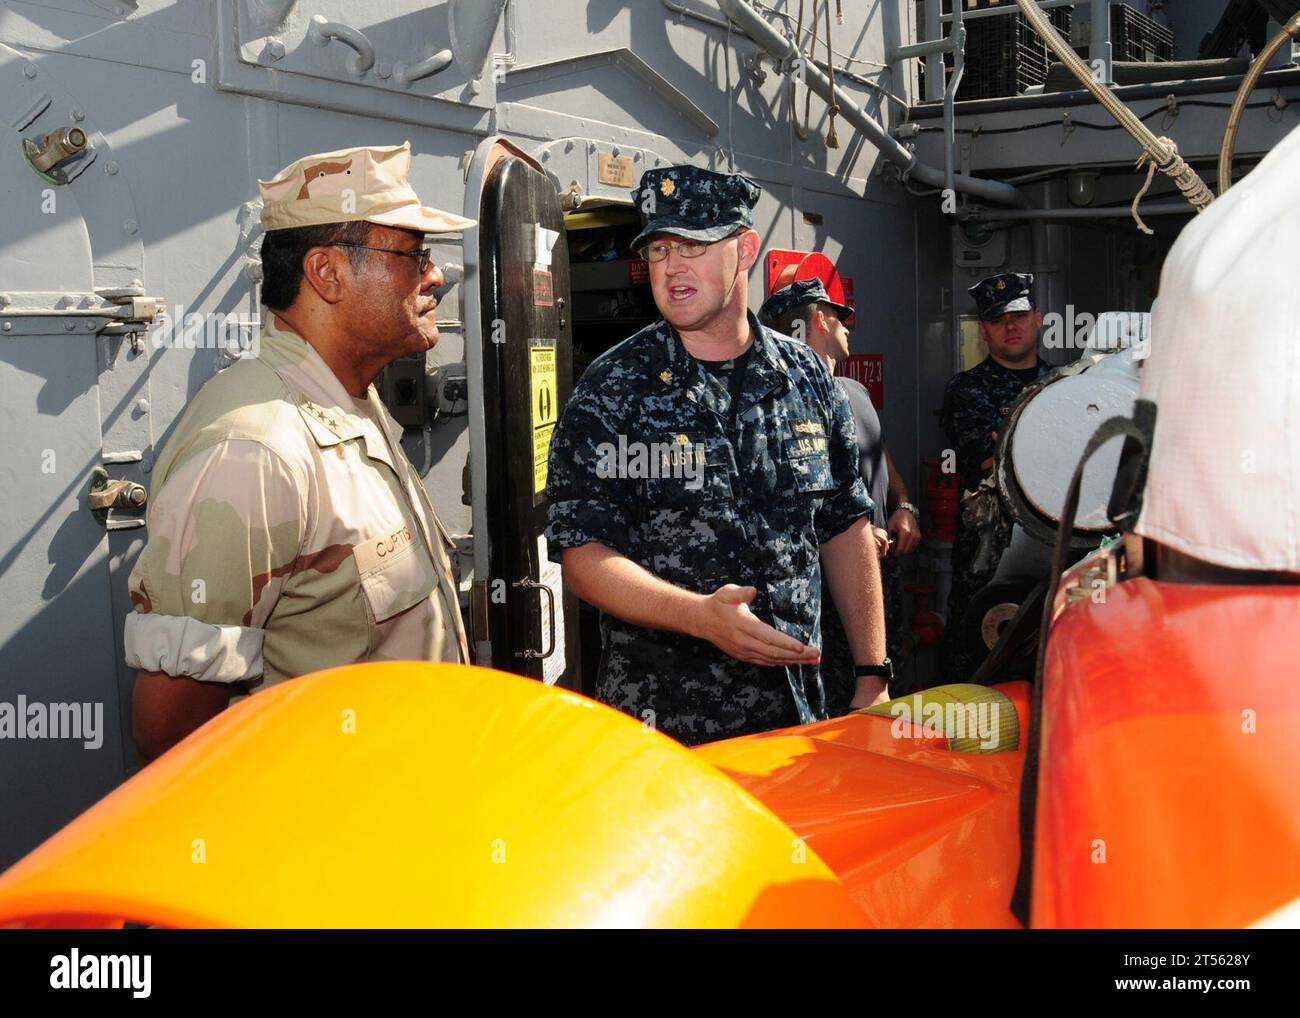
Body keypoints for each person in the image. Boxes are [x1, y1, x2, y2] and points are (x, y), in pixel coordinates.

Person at [126, 142, 474, 764]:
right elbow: (172, 737)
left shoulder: (349, 401)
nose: (436, 274)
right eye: (413, 254)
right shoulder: (257, 450)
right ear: (327, 273)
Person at [545, 165, 889, 745]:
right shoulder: (613, 389)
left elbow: (843, 524)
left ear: (745, 249)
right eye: (659, 248)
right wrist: (698, 616)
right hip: (664, 731)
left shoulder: (804, 374)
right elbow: (583, 554)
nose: (674, 266)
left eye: (695, 245)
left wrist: (873, 674)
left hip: (797, 716)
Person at [759, 278, 921, 710]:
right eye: (839, 316)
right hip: (830, 591)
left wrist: (903, 505)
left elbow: (878, 451)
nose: (847, 325)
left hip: (880, 580)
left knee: (889, 691)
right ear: (819, 320)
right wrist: (857, 534)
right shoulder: (775, 405)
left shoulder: (855, 391)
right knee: (842, 707)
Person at [938, 271, 1051, 681]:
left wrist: (1013, 441)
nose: (1011, 326)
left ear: (1037, 318)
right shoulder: (967, 390)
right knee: (976, 658)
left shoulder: (1066, 385)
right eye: (999, 319)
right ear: (983, 329)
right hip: (989, 551)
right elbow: (990, 460)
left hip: (1056, 546)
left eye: (1019, 316)